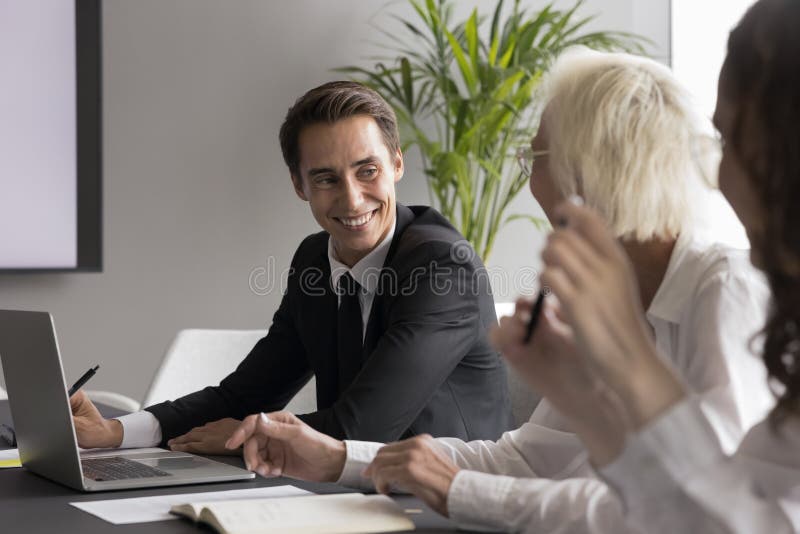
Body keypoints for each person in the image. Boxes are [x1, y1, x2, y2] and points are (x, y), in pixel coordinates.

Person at [224, 49, 774, 533]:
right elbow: (530, 459)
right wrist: (338, 459)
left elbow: (700, 513)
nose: (529, 180)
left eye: (535, 159)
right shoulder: (614, 302)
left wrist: (458, 490)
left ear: (595, 172)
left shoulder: (725, 291)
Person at [70, 81, 513, 453]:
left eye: (367, 170)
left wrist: (248, 436)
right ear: (300, 185)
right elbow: (246, 394)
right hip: (343, 493)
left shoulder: (441, 265)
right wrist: (116, 431)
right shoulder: (314, 261)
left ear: (397, 164)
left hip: (445, 502)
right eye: (325, 178)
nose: (352, 199)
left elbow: (363, 428)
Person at [493, 1, 800, 532]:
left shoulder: (724, 286)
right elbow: (692, 510)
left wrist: (628, 358)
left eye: (734, 142)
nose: (717, 177)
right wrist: (581, 397)